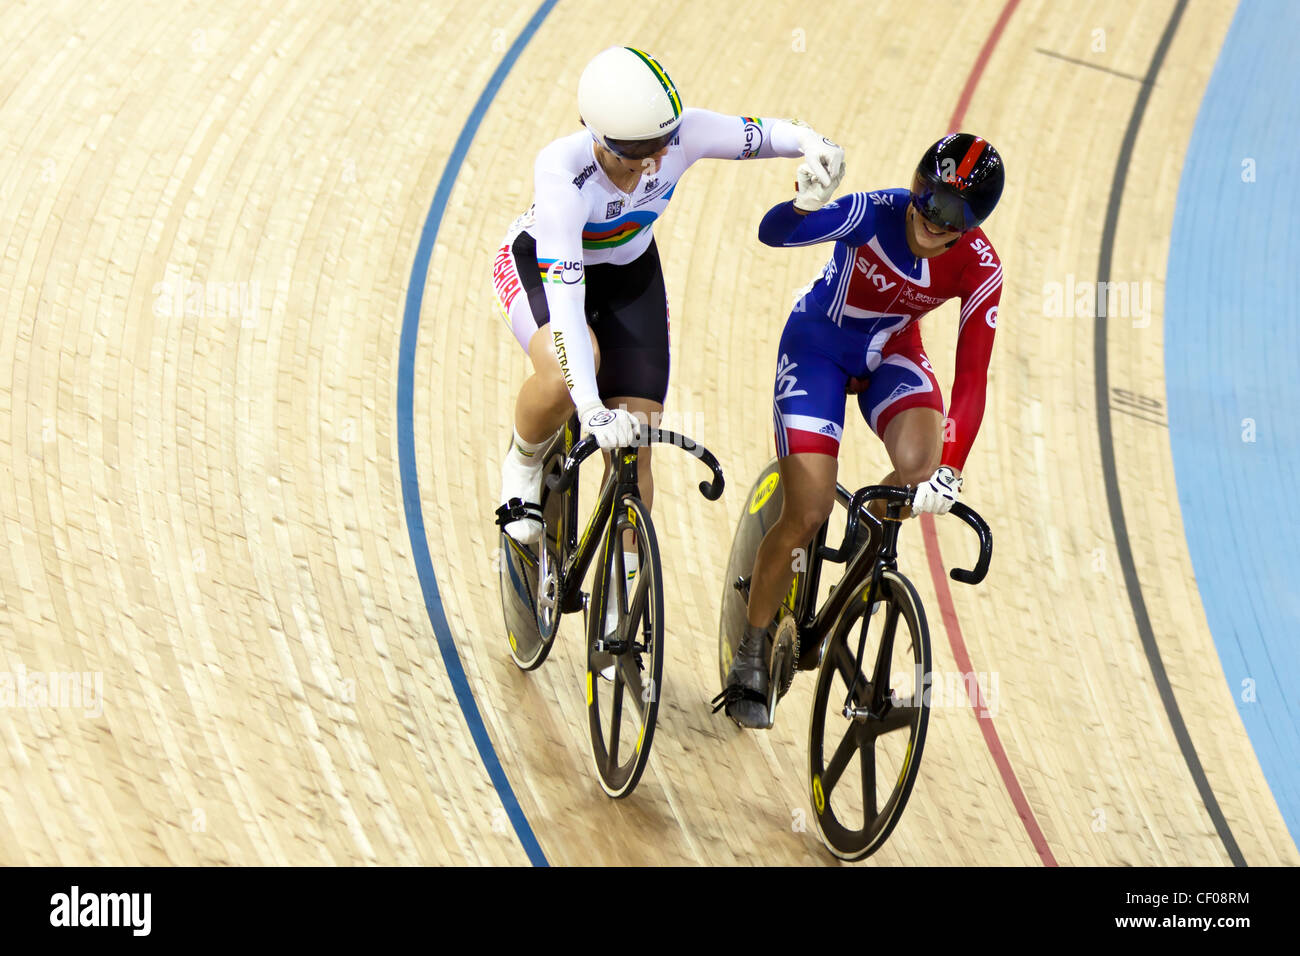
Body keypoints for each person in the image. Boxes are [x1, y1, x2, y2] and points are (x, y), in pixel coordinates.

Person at [493, 45, 844, 638]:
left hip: (631, 275)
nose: (659, 160)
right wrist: (587, 408)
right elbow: (570, 307)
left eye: (665, 144)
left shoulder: (679, 136)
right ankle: (523, 464)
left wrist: (817, 148)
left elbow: (762, 134)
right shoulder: (561, 173)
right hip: (546, 269)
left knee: (636, 439)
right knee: (566, 374)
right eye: (642, 153)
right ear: (603, 141)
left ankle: (620, 597)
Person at [718, 133, 1005, 728]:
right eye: (926, 194)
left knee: (921, 469)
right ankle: (751, 646)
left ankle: (856, 564)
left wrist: (951, 468)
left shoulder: (980, 266)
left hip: (891, 351)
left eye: (950, 211)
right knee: (808, 509)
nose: (929, 215)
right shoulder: (873, 211)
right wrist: (805, 204)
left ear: (973, 223)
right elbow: (774, 234)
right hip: (819, 345)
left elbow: (972, 376)